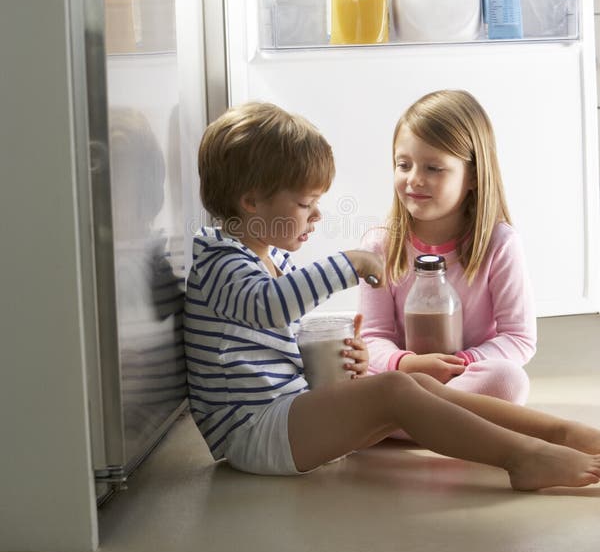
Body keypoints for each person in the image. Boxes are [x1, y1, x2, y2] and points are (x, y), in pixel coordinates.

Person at [184, 101, 600, 490]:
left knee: (412, 384)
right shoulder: (221, 261)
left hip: (283, 415)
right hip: (254, 431)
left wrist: (344, 361)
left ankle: (560, 433)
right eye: (306, 203)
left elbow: (273, 339)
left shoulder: (265, 260)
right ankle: (523, 457)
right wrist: (348, 264)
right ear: (251, 201)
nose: (317, 215)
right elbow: (269, 305)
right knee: (394, 391)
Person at [359, 89, 534, 410]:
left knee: (508, 380)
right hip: (404, 377)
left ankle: (407, 418)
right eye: (403, 165)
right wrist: (406, 363)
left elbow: (518, 339)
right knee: (343, 372)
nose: (414, 179)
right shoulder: (379, 245)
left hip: (467, 375)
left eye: (433, 168)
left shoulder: (500, 244)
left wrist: (460, 363)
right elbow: (372, 337)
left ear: (473, 176)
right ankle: (434, 417)